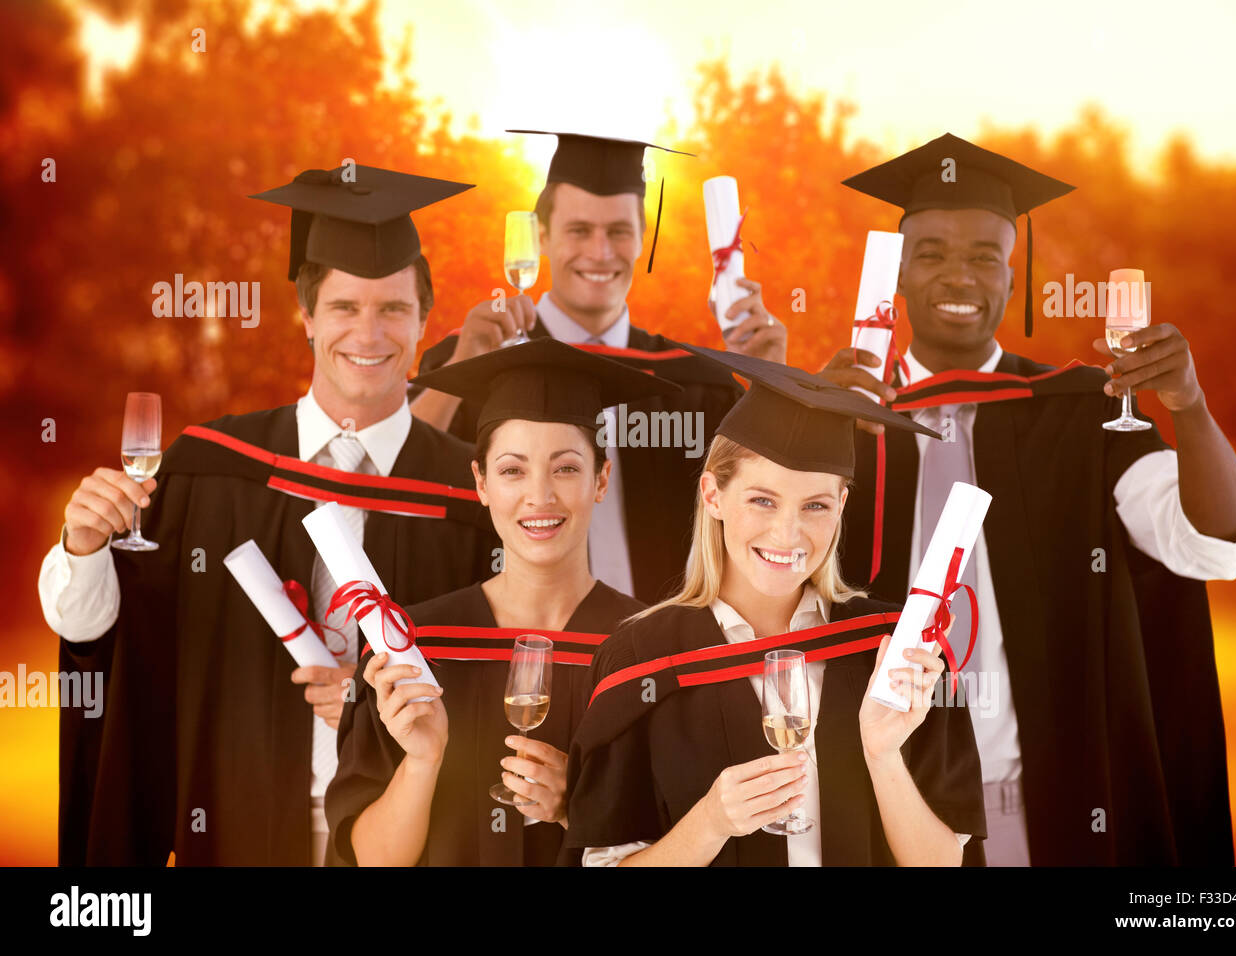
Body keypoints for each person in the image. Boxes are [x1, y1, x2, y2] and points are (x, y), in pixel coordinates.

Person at [38, 164, 499, 866]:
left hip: (415, 842)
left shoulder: (476, 491)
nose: (368, 333)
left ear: (423, 322)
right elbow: (111, 639)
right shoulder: (215, 465)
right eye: (344, 308)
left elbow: (513, 673)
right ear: (308, 318)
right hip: (238, 829)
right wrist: (81, 549)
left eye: (393, 310)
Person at [825, 133, 1236, 865]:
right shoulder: (845, 418)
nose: (957, 276)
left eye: (984, 256)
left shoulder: (1079, 413)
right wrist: (803, 431)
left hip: (1047, 817)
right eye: (930, 253)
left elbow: (1211, 543)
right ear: (898, 274)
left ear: (1012, 275)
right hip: (879, 815)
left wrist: (1188, 404)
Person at [564, 345, 987, 866]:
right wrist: (711, 822)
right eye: (762, 500)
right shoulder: (640, 659)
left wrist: (882, 754)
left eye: (815, 506)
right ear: (713, 496)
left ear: (842, 507)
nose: (788, 534)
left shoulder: (893, 647)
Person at [327, 338, 677, 865]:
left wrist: (576, 809)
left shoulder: (653, 649)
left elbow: (689, 844)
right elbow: (371, 861)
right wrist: (423, 760)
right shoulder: (411, 648)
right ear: (481, 483)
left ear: (601, 479)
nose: (540, 496)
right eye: (513, 470)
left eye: (566, 468)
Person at [410, 130, 787, 604]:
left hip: (661, 652)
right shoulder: (474, 364)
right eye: (579, 230)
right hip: (514, 655)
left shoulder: (693, 381)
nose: (600, 252)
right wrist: (463, 366)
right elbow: (405, 484)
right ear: (542, 235)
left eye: (618, 232)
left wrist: (773, 384)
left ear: (642, 239)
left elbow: (762, 514)